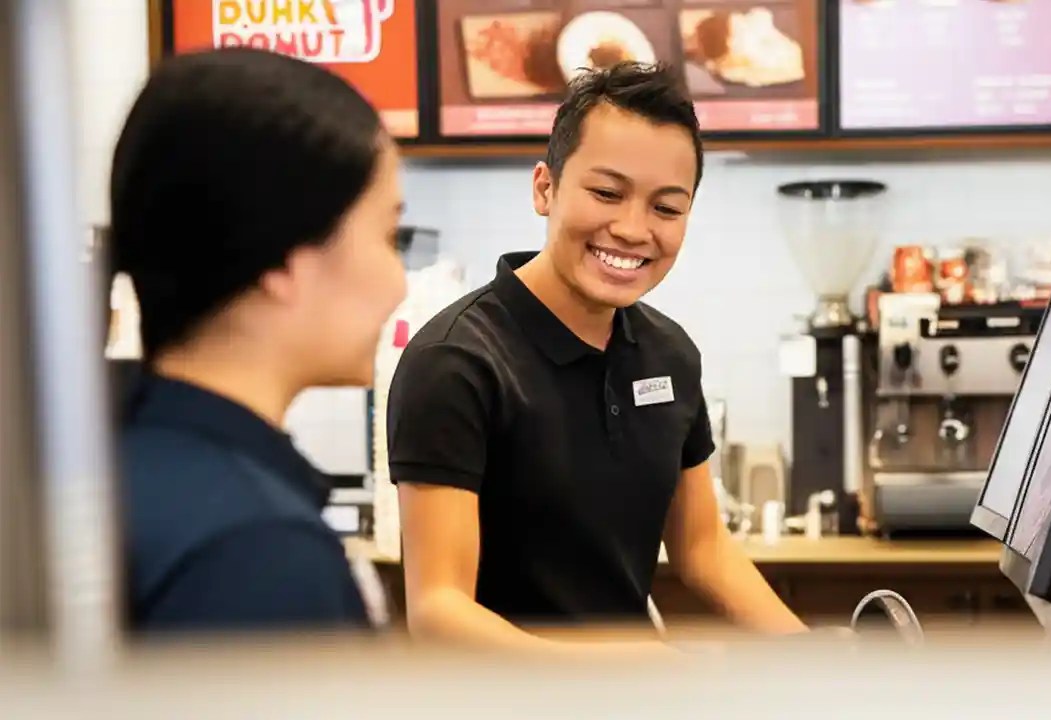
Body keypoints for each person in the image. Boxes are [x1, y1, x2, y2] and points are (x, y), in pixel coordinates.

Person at [387, 61, 806, 653]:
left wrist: (809, 650)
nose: (633, 229)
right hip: (497, 695)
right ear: (545, 188)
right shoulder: (455, 361)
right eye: (607, 193)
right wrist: (613, 669)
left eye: (666, 208)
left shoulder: (669, 354)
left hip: (627, 694)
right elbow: (438, 610)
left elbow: (702, 547)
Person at [110, 47, 406, 632]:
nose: (399, 283)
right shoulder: (259, 551)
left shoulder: (119, 464)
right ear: (284, 263)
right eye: (389, 235)